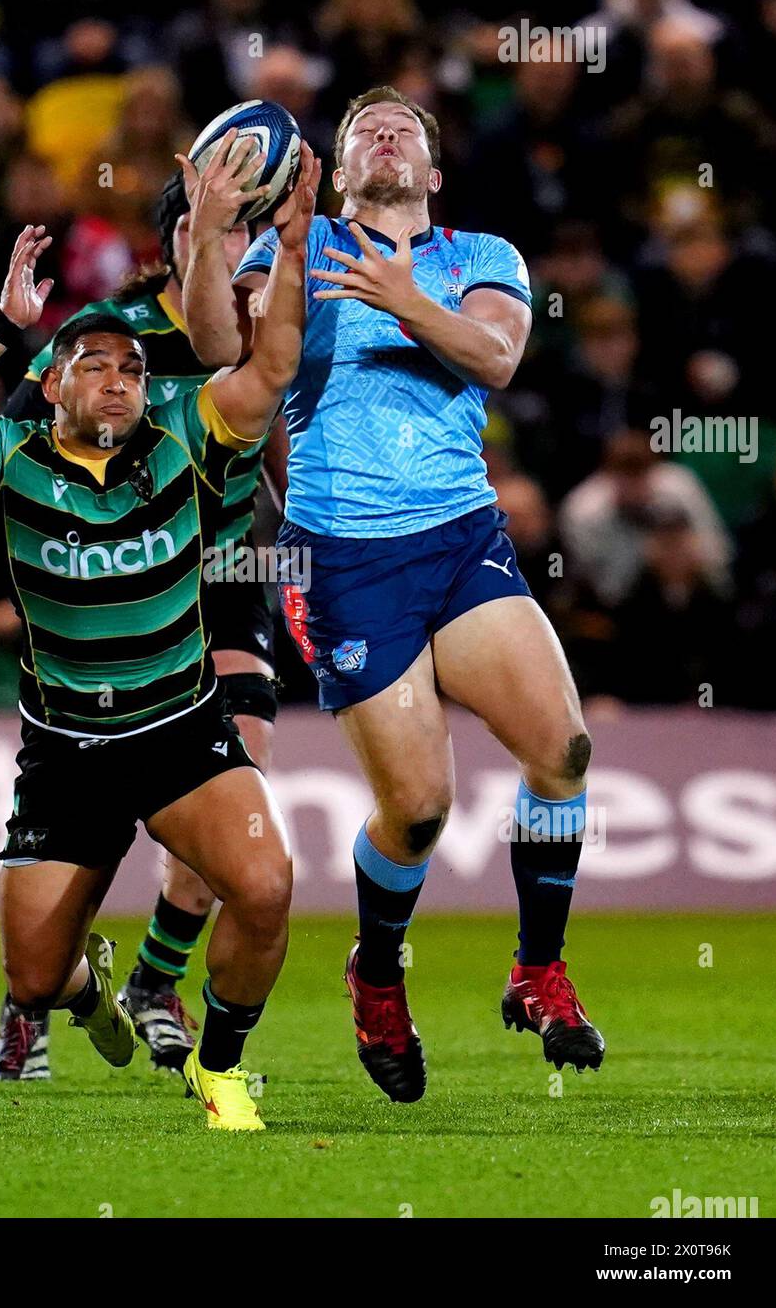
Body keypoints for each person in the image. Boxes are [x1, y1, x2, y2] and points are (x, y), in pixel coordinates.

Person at [182, 86, 605, 1103]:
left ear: (432, 172)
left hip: (462, 539)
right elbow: (212, 348)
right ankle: (375, 977)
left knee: (564, 750)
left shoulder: (480, 257)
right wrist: (205, 231)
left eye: (405, 129)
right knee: (415, 811)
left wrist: (404, 298)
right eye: (365, 127)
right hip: (347, 557)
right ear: (329, 163)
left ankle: (535, 966)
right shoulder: (299, 245)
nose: (385, 134)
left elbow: (496, 355)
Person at [0, 149, 317, 1131]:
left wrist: (287, 246)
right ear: (49, 382)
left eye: (132, 366)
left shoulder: (189, 439)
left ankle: (217, 1065)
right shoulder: (9, 459)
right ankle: (87, 992)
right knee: (33, 975)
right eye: (93, 363)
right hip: (67, 752)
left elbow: (273, 364)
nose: (120, 378)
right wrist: (2, 324)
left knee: (266, 886)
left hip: (177, 728)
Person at [0, 159, 282, 1080]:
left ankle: (156, 980)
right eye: (228, 229)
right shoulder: (111, 339)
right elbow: (16, 438)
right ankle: (38, 990)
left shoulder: (258, 325)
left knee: (246, 760)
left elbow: (275, 433)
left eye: (253, 233)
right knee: (39, 940)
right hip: (99, 573)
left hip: (217, 567)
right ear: (179, 241)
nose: (245, 251)